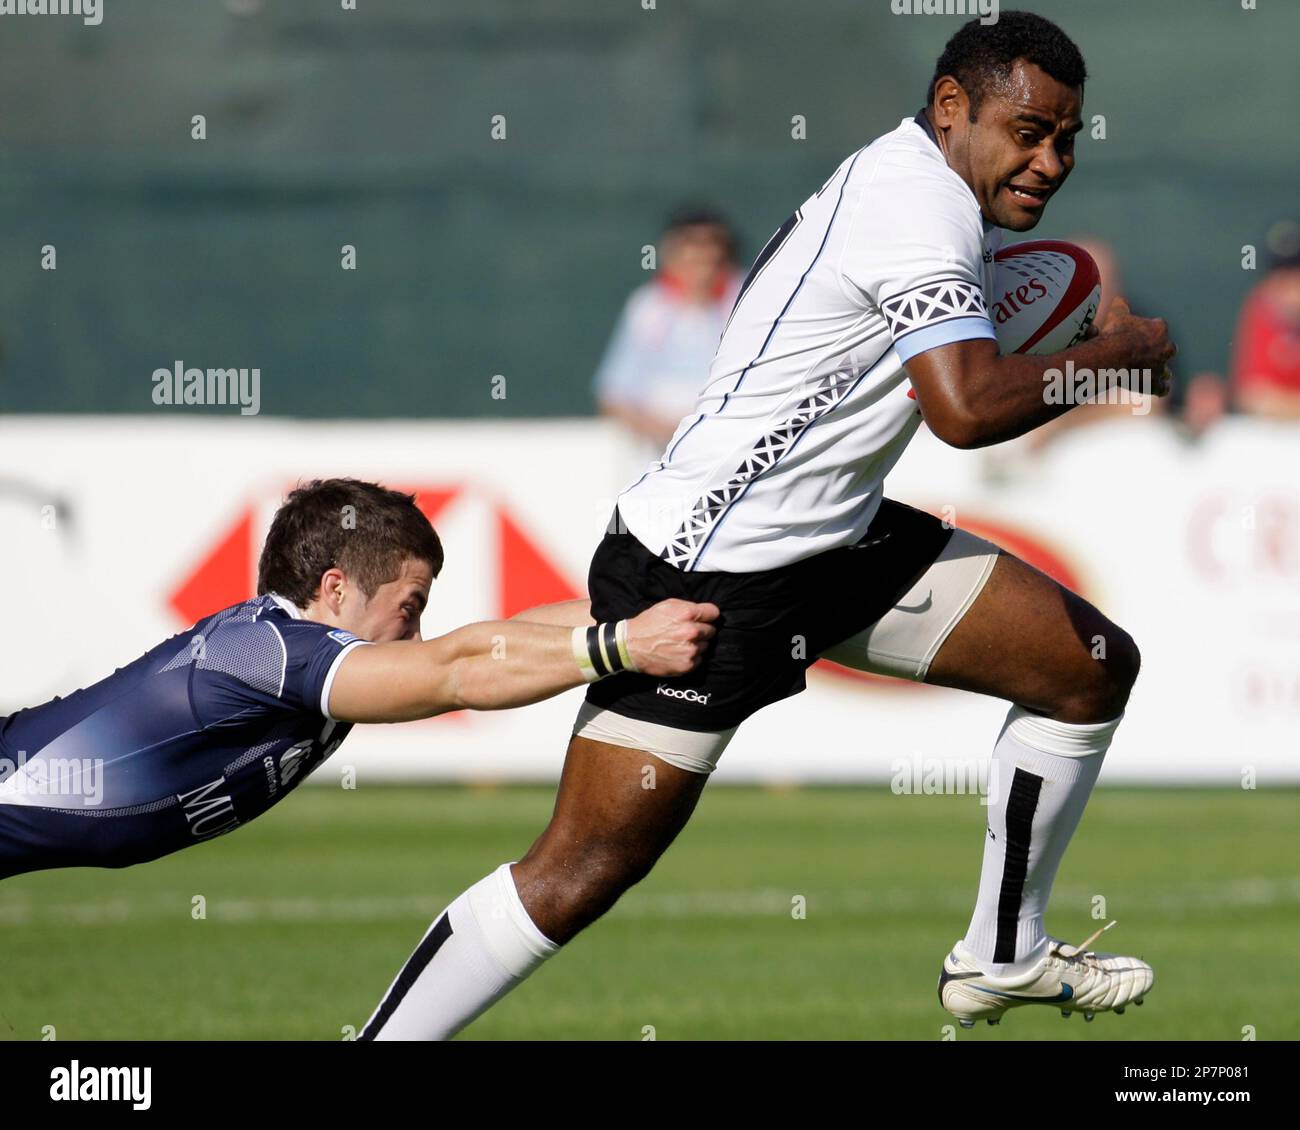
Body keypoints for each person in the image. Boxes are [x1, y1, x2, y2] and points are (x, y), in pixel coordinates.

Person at [360, 12, 1174, 1040]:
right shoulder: (915, 205)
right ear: (951, 107)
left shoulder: (929, 189)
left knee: (1087, 664)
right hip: (708, 574)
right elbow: (964, 410)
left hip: (837, 542)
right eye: (1028, 130)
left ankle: (1001, 954)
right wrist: (1115, 355)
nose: (1050, 159)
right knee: (576, 871)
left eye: (1067, 137)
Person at [0, 478, 717, 880]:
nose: (418, 633)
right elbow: (458, 670)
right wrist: (622, 644)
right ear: (335, 588)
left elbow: (507, 634)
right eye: (410, 607)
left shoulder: (297, 656)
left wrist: (681, 607)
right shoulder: (269, 652)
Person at [594, 208, 742, 454]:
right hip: (658, 454)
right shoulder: (648, 308)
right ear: (670, 254)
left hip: (729, 448)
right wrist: (664, 431)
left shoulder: (746, 300)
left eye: (711, 246)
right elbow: (613, 395)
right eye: (691, 246)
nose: (702, 257)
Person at [1230, 220, 1300, 420]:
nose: (1290, 290)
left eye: (1296, 275)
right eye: (1281, 277)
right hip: (1275, 438)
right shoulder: (1261, 306)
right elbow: (1250, 395)